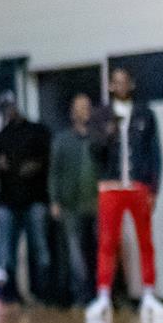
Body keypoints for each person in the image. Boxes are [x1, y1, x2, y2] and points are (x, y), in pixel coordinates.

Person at [85, 67, 163, 323]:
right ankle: (103, 295)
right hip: (110, 186)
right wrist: (108, 133)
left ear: (131, 84)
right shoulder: (100, 116)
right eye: (116, 82)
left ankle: (149, 293)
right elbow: (94, 150)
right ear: (110, 86)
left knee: (145, 240)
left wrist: (154, 188)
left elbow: (155, 153)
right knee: (108, 242)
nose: (120, 86)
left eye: (125, 81)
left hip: (138, 185)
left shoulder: (145, 114)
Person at [0, 97, 50, 304]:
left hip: (35, 198)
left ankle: (43, 292)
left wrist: (36, 166)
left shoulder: (38, 132)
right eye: (7, 109)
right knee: (6, 250)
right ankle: (11, 293)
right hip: (8, 200)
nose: (11, 112)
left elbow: (49, 160)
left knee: (39, 248)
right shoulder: (0, 136)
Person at [50, 94, 100, 307]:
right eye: (79, 107)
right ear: (72, 113)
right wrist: (54, 200)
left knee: (99, 250)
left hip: (97, 202)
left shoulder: (99, 138)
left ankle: (102, 293)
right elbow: (54, 172)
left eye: (87, 107)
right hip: (71, 203)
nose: (84, 111)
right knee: (75, 253)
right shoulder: (62, 140)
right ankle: (81, 294)